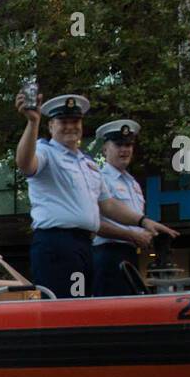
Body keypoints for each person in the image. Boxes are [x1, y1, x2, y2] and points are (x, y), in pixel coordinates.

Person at [14, 92, 178, 298]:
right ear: (51, 126)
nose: (70, 126)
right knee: (66, 310)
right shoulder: (47, 152)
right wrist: (32, 123)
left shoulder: (87, 163)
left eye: (75, 121)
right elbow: (24, 163)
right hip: (58, 244)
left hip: (83, 245)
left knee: (82, 307)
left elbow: (107, 205)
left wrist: (143, 221)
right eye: (63, 121)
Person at [91, 119, 154, 296]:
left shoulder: (133, 183)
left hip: (131, 253)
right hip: (108, 254)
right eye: (119, 145)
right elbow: (94, 223)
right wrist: (133, 235)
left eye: (128, 145)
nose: (124, 150)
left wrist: (146, 234)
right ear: (105, 149)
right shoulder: (99, 178)